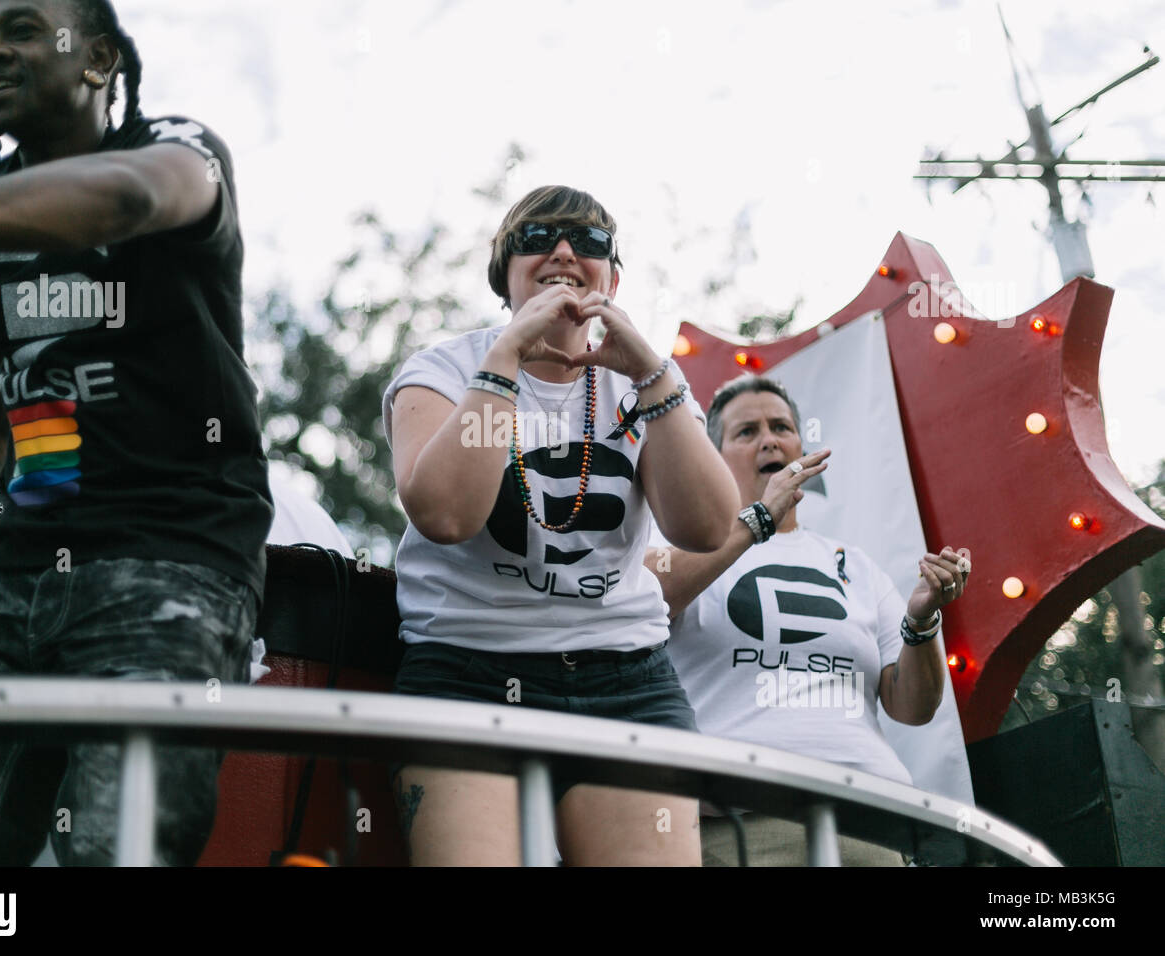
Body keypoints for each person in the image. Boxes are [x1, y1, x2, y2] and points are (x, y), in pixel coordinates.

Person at [0, 0, 271, 865]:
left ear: (97, 60)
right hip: (16, 562)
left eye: (18, 29)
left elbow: (119, 203)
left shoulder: (176, 151)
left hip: (175, 554)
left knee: (117, 843)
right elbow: (8, 354)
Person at [381, 185, 739, 866]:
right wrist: (507, 356)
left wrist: (655, 377)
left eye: (591, 242)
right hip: (468, 672)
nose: (566, 252)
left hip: (626, 680)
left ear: (612, 274)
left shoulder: (644, 384)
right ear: (504, 270)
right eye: (538, 238)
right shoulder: (443, 371)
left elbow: (706, 526)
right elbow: (446, 514)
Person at [646, 375, 970, 866]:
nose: (770, 440)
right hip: (742, 826)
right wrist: (756, 522)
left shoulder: (857, 566)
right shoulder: (683, 547)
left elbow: (911, 708)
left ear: (800, 446)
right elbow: (649, 598)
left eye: (782, 427)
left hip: (872, 821)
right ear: (714, 458)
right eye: (746, 432)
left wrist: (921, 621)